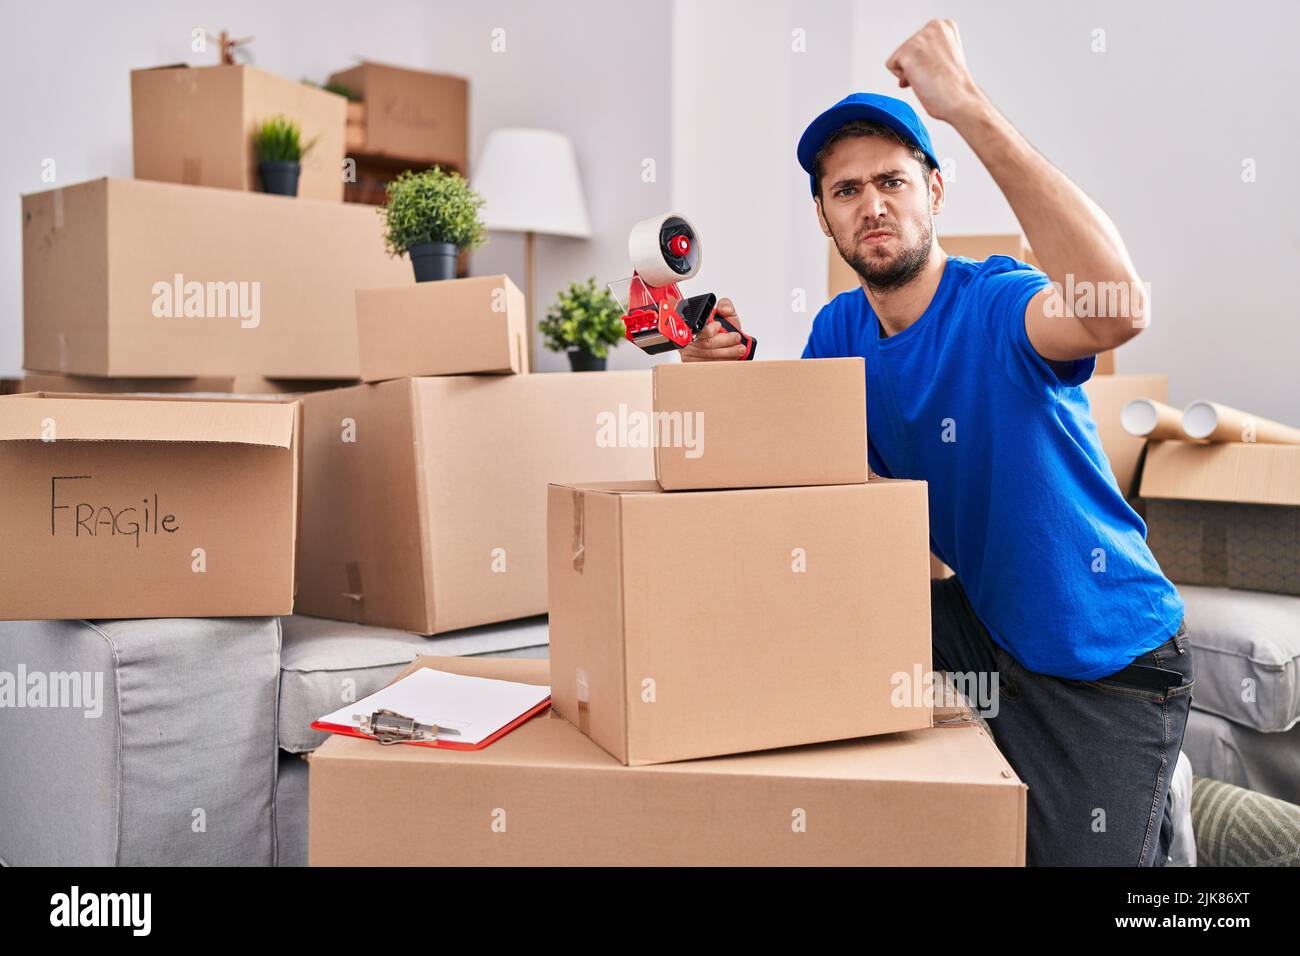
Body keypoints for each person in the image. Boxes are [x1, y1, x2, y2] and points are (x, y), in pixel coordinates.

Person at [683, 19, 1193, 866]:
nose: (871, 203)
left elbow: (1119, 308)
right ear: (824, 216)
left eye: (892, 180)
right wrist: (721, 374)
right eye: (845, 191)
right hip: (984, 628)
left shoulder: (998, 301)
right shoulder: (840, 330)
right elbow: (798, 484)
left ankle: (1154, 816)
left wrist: (965, 106)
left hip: (1105, 656)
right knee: (809, 614)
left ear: (936, 191)